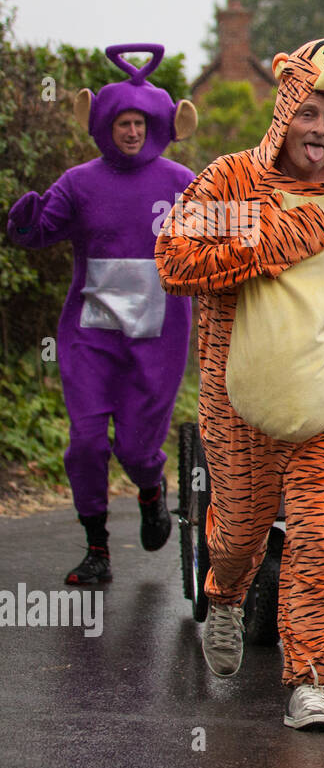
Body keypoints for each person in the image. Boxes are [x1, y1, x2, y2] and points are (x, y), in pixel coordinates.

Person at [156, 38, 324, 731]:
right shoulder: (232, 183)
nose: (320, 130)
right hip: (239, 400)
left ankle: (309, 679)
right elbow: (175, 257)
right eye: (309, 113)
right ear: (285, 109)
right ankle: (226, 593)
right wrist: (266, 241)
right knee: (241, 534)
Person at [7, 43, 196, 586]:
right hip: (90, 337)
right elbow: (39, 233)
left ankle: (152, 488)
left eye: (140, 123)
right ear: (105, 126)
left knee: (137, 448)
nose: (131, 132)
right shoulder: (79, 183)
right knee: (86, 442)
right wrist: (24, 222)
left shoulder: (182, 183)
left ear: (157, 125)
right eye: (122, 123)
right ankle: (97, 551)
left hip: (158, 339)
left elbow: (222, 238)